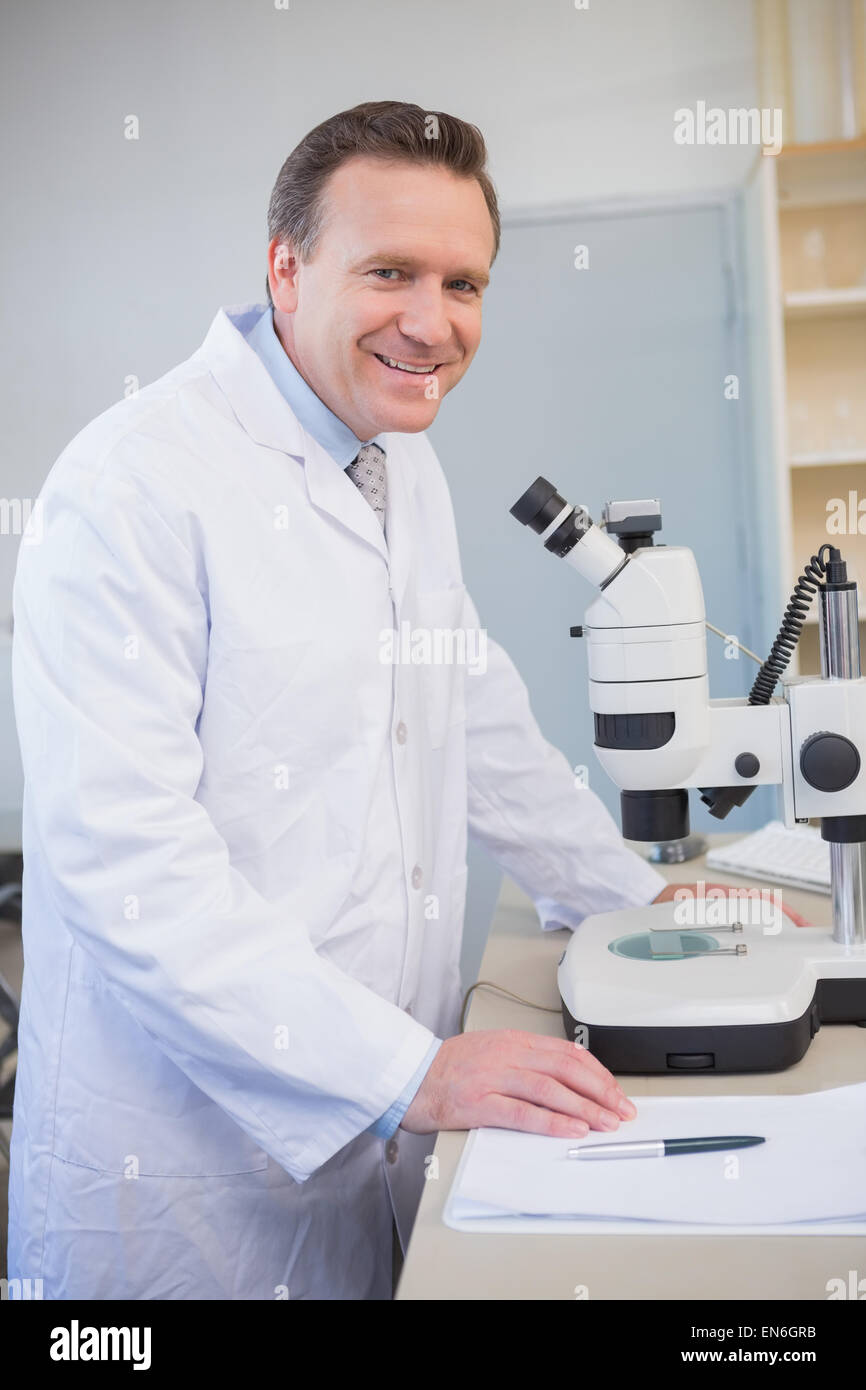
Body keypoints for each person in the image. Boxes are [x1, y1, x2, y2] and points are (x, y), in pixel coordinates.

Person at [7, 100, 806, 1302]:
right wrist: (403, 1073)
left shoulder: (400, 462)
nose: (431, 323)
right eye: (389, 271)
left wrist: (630, 894)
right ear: (286, 269)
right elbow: (125, 863)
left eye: (462, 283)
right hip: (183, 1184)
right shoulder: (133, 485)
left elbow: (472, 715)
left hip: (380, 1131)